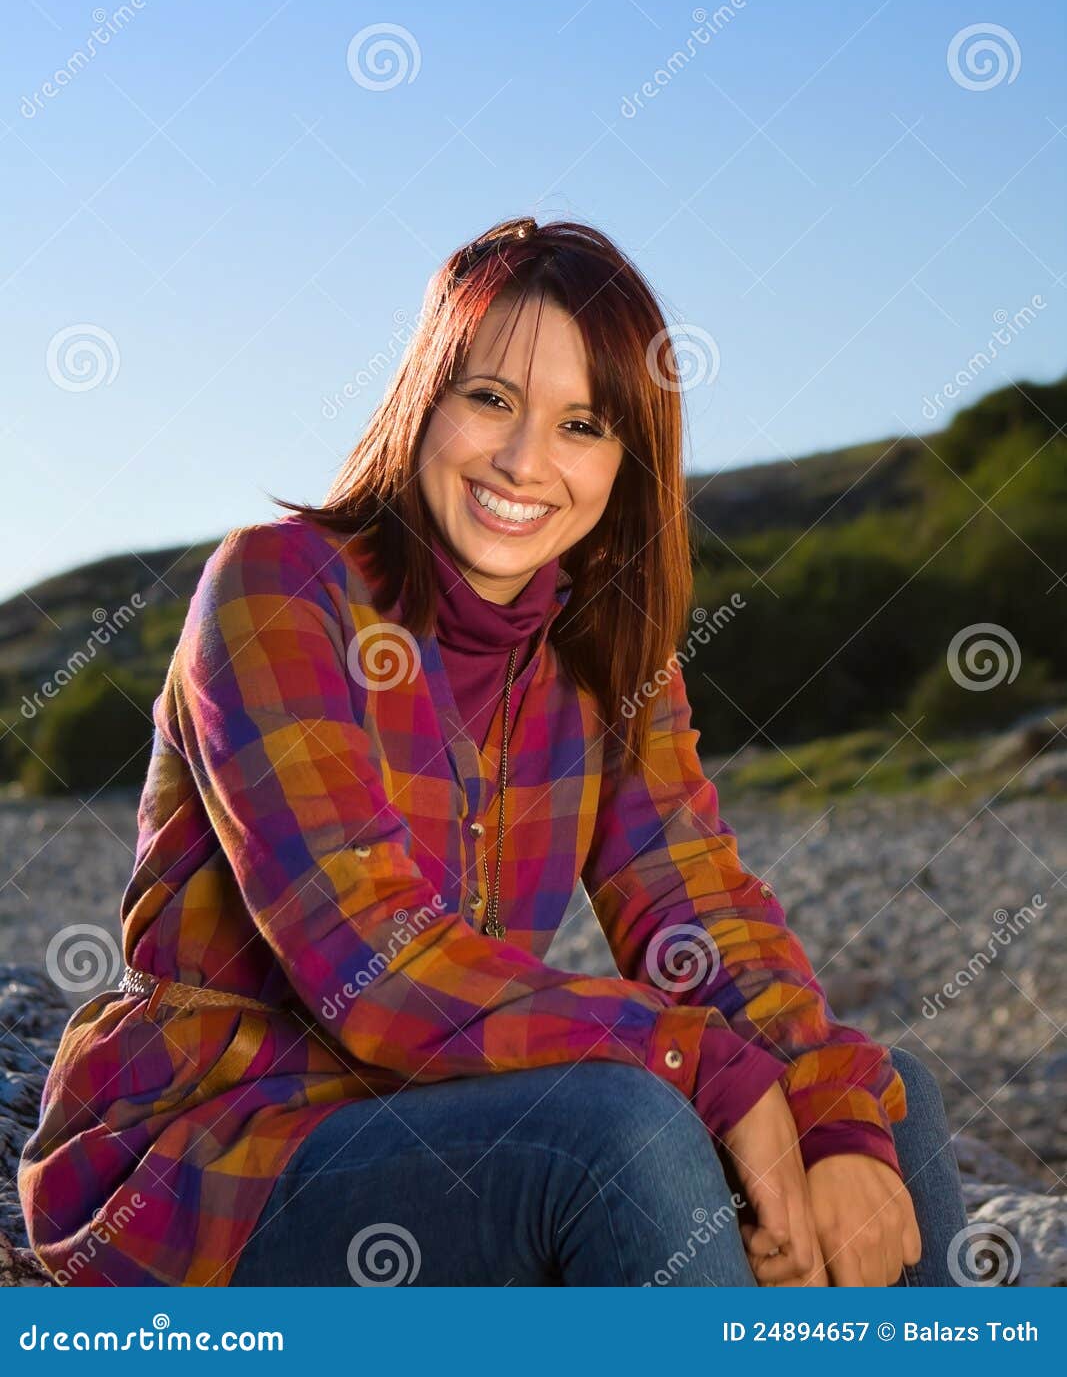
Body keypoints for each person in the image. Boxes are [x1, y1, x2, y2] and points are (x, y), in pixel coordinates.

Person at [19, 216, 968, 1288]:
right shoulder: (277, 591)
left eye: (582, 424)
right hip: (216, 1145)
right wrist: (699, 1062)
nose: (525, 461)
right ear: (426, 394)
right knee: (616, 1133)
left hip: (445, 1107)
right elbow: (374, 967)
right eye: (491, 400)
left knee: (889, 1100)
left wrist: (827, 1111)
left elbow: (699, 913)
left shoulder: (607, 659)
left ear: (626, 462)